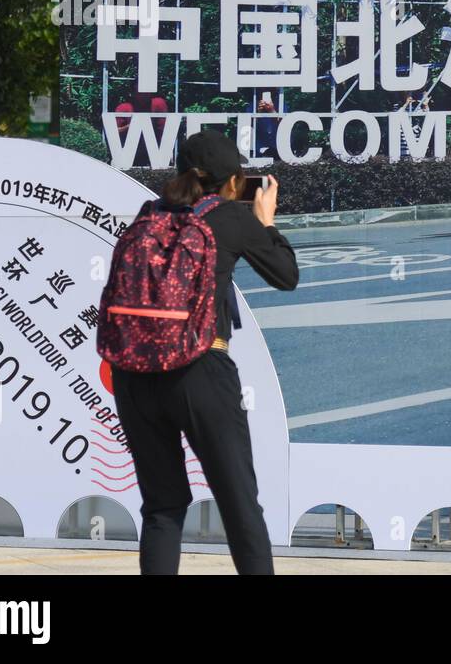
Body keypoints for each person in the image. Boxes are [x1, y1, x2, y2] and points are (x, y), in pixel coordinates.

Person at [110, 130, 299, 574]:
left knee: (162, 507)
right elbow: (286, 275)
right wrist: (265, 220)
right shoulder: (231, 220)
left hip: (134, 375)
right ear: (234, 181)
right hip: (199, 371)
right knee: (238, 504)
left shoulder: (148, 214)